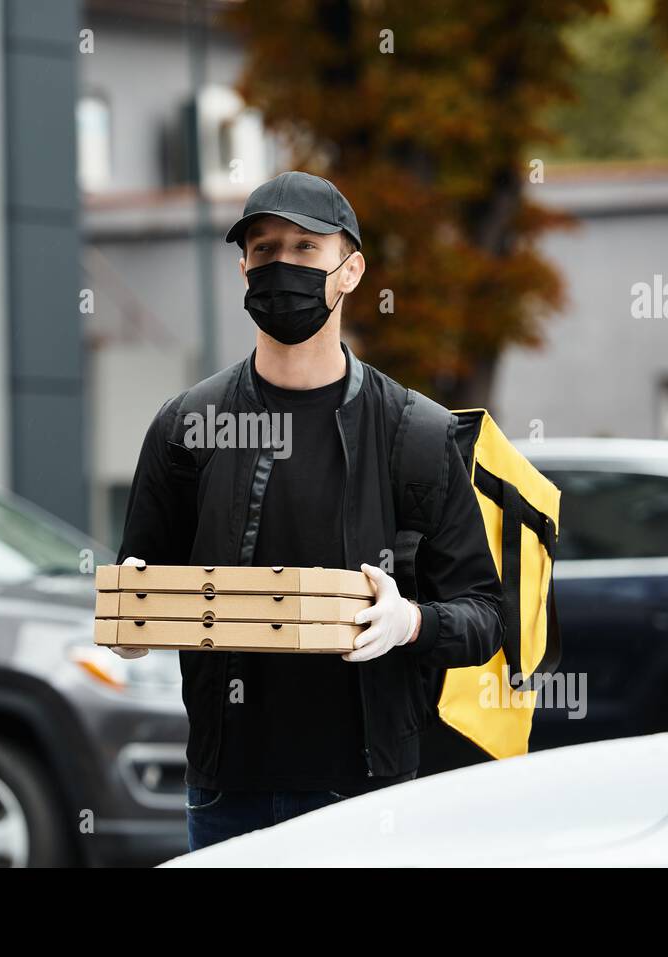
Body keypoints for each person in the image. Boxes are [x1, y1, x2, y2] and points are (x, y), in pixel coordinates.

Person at [114, 170, 504, 852]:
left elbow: (486, 613)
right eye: (263, 251)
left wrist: (411, 620)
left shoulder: (416, 434)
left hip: (367, 793)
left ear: (351, 271)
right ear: (242, 270)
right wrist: (131, 623)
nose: (280, 266)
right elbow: (141, 584)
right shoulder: (189, 427)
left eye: (303, 248)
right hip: (226, 789)